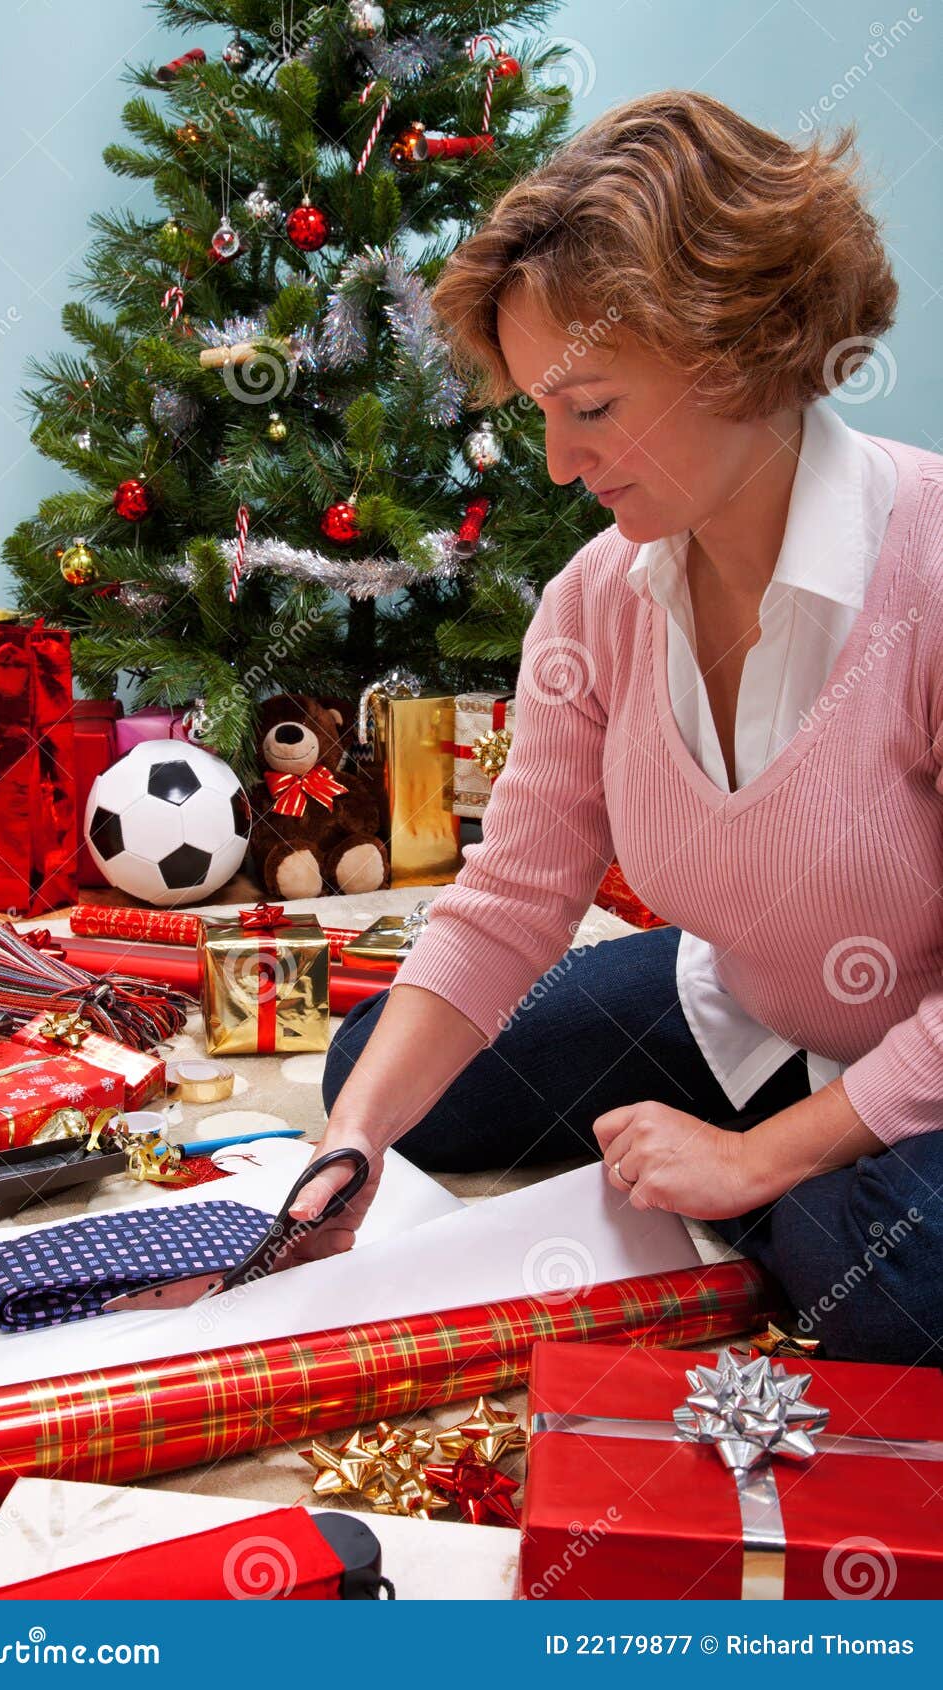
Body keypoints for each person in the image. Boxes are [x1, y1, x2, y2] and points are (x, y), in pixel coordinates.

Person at [280, 91, 943, 1368]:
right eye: (537, 410)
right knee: (373, 1077)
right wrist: (350, 1143)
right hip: (752, 998)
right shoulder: (596, 600)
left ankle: (777, 1175)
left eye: (586, 407)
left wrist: (758, 1156)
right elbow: (512, 896)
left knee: (894, 1281)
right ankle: (763, 1172)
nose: (553, 462)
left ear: (736, 349)